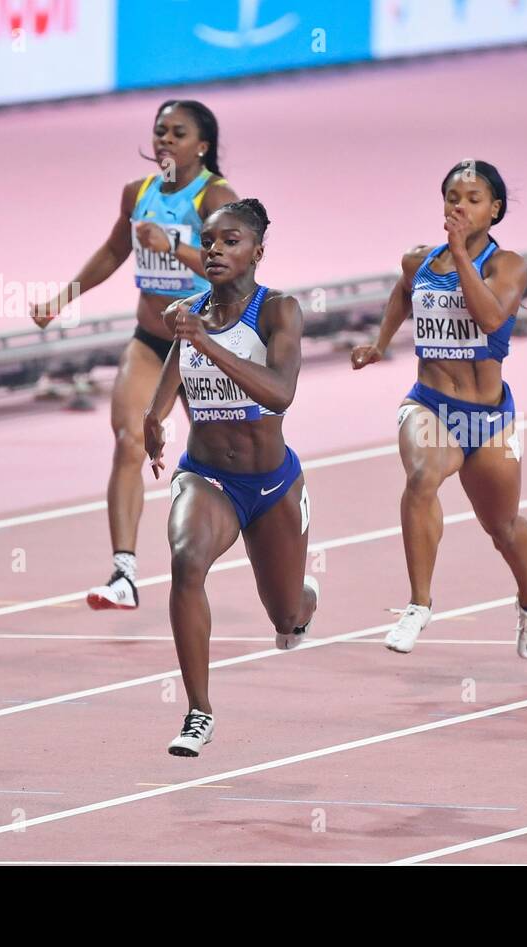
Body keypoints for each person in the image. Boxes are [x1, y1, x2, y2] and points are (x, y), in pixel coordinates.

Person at [29, 100, 238, 610]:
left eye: (178, 132)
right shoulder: (137, 194)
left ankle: (284, 560)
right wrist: (62, 299)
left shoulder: (216, 195)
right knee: (128, 441)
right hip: (150, 341)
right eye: (160, 131)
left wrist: (173, 245)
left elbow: (230, 265)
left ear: (202, 145)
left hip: (206, 345)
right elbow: (111, 253)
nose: (165, 139)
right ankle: (124, 574)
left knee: (229, 460)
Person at [143, 198, 317, 757]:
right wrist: (153, 427)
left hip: (270, 486)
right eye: (210, 241)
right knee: (186, 559)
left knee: (285, 614)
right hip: (208, 478)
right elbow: (163, 396)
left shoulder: (278, 311)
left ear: (257, 253)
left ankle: (303, 602)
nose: (216, 249)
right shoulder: (189, 315)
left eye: (231, 241)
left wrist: (204, 342)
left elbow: (280, 393)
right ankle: (198, 711)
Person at [351, 160, 527, 659]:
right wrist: (380, 343)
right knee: (423, 476)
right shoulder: (419, 262)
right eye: (452, 197)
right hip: (431, 403)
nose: (459, 206)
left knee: (503, 528)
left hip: (488, 416)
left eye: (473, 198)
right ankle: (419, 604)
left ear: (494, 210)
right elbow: (402, 292)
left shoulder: (509, 266)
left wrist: (460, 254)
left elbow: (488, 315)